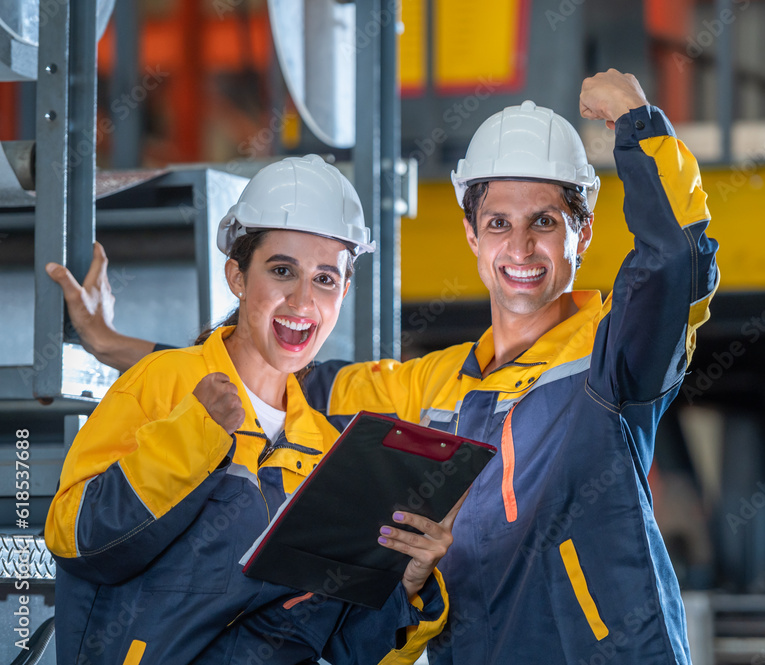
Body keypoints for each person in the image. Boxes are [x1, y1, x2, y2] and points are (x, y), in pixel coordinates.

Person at [53, 70, 719, 663]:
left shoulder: (611, 352)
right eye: (497, 223)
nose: (520, 247)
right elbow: (274, 365)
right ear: (471, 234)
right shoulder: (431, 387)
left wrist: (639, 124)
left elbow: (677, 265)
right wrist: (117, 346)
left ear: (583, 231)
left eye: (544, 222)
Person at [44, 156, 456, 665]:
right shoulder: (166, 381)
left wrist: (408, 585)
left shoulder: (326, 450)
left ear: (344, 292)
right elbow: (76, 539)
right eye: (282, 270)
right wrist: (193, 435)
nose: (303, 300)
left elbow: (347, 645)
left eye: (326, 279)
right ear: (237, 276)